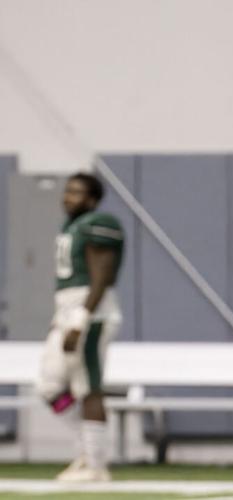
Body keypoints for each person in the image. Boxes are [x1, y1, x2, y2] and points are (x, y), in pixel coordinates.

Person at [37, 172, 124, 482]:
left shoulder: (98, 223)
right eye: (67, 190)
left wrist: (80, 319)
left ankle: (95, 464)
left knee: (87, 386)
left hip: (91, 314)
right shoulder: (71, 225)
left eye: (77, 192)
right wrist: (62, 319)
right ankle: (88, 448)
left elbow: (101, 275)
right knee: (49, 386)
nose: (68, 197)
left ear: (92, 199)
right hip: (66, 312)